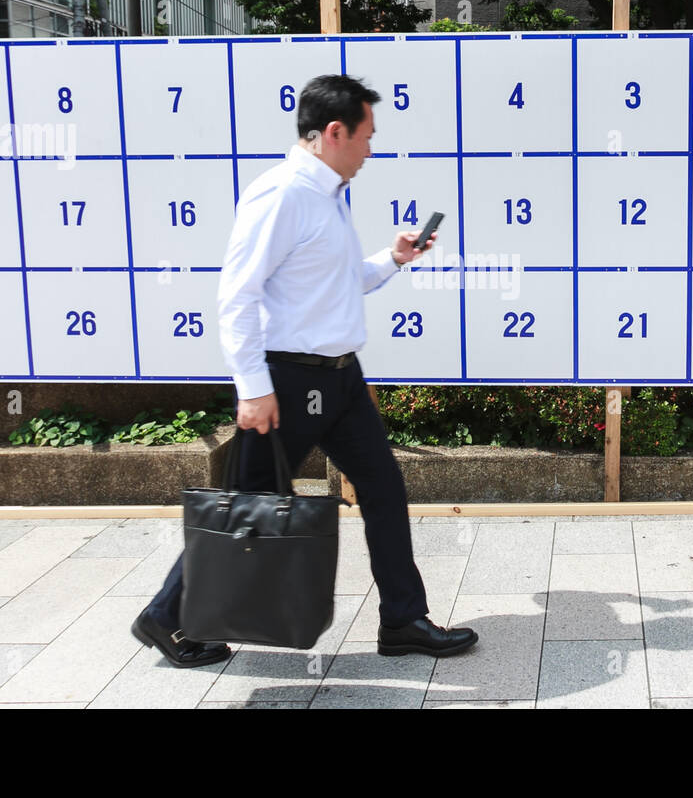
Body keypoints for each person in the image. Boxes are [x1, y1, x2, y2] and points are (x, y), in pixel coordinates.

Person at [131, 74, 478, 666]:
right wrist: (253, 387)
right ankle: (166, 617)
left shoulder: (327, 195)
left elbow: (339, 282)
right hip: (290, 382)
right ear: (335, 132)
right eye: (367, 136)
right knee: (249, 501)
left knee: (383, 488)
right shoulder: (282, 194)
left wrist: (394, 259)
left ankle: (402, 620)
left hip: (340, 377)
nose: (372, 148)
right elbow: (237, 295)